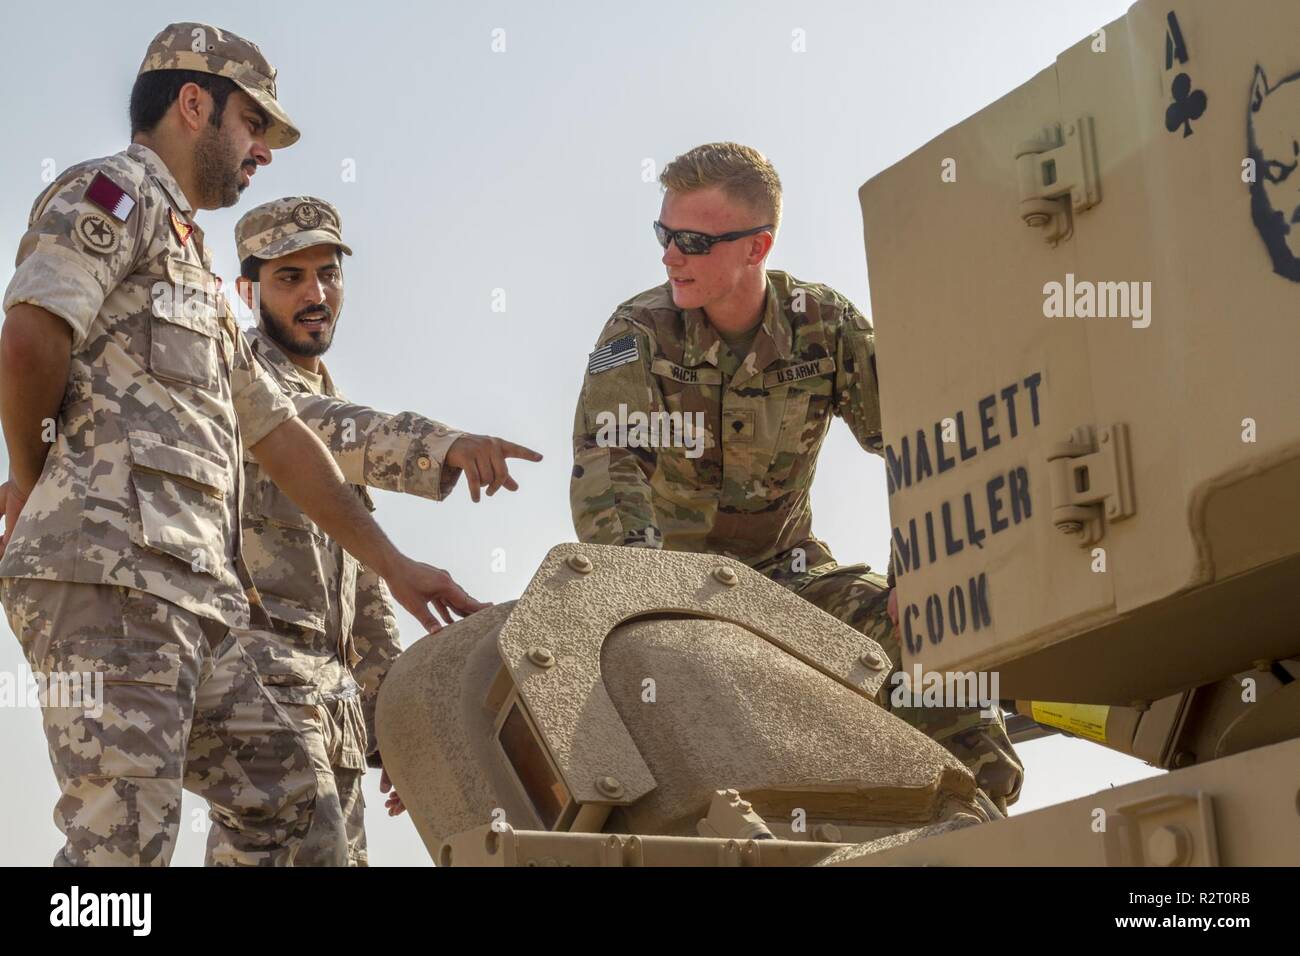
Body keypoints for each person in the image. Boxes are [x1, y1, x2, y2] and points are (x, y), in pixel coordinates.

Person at [0, 22, 482, 866]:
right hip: (109, 580)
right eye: (252, 124)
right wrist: (32, 483)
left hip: (201, 604)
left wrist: (398, 567)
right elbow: (30, 339)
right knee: (121, 849)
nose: (260, 149)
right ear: (195, 104)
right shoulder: (115, 193)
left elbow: (284, 437)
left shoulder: (201, 275)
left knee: (298, 810)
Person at [569, 142, 1022, 810]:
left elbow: (921, 438)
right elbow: (609, 470)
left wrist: (920, 567)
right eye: (664, 235)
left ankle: (981, 828)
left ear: (757, 247)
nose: (671, 256)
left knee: (925, 632)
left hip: (788, 576)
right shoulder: (639, 332)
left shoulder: (824, 327)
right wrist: (648, 600)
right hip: (667, 586)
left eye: (692, 240)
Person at [222, 195, 541, 864]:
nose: (316, 294)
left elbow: (363, 586)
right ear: (248, 289)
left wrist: (387, 728)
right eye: (290, 277)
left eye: (328, 273)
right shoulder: (238, 379)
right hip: (258, 689)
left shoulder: (324, 398)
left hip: (324, 709)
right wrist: (444, 444)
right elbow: (317, 425)